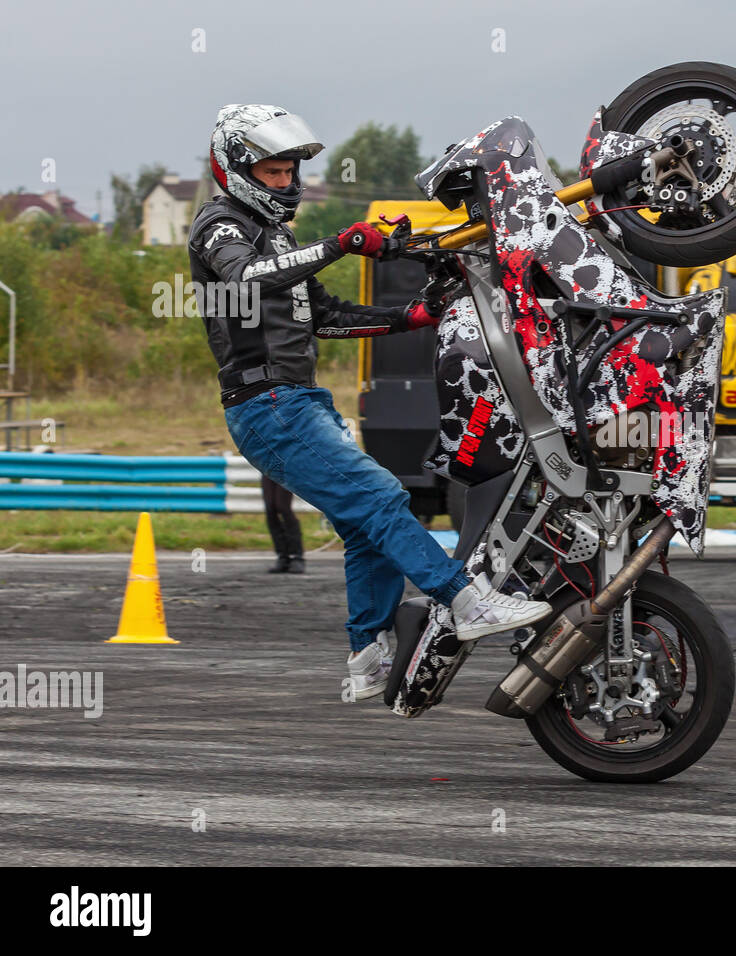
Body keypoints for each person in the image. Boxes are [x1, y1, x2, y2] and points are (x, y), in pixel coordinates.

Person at [188, 103, 550, 700]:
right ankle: (464, 599)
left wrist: (413, 316)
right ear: (235, 169)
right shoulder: (219, 225)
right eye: (272, 173)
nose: (284, 183)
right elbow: (248, 278)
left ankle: (366, 657)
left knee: (364, 523)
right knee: (382, 496)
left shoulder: (276, 236)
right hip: (267, 403)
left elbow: (325, 319)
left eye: (287, 173)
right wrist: (342, 243)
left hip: (298, 401)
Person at [262, 475, 304, 574]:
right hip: (266, 466)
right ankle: (282, 556)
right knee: (270, 509)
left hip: (285, 467)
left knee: (283, 507)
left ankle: (296, 556)